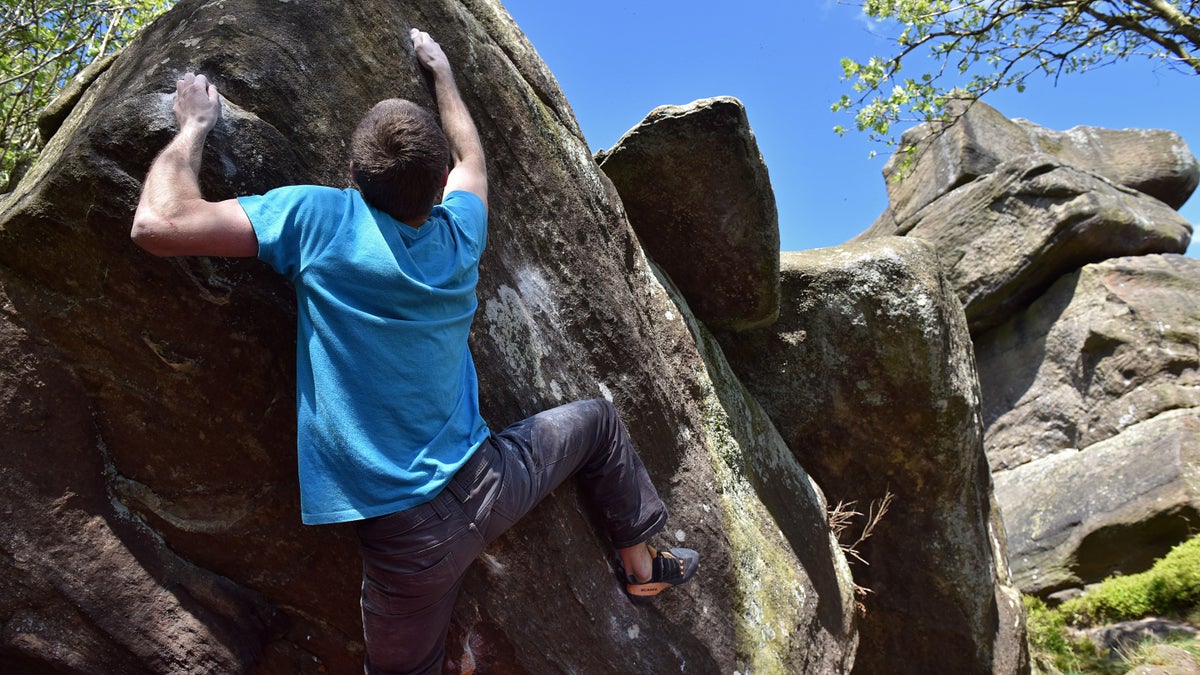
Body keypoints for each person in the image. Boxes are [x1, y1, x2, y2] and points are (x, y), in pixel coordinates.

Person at [131, 27, 698, 674]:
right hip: (490, 479)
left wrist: (195, 126)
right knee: (597, 422)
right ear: (437, 193)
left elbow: (157, 225)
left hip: (409, 543)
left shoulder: (320, 220)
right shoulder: (460, 237)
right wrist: (443, 71)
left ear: (352, 175)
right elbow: (471, 157)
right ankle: (642, 564)